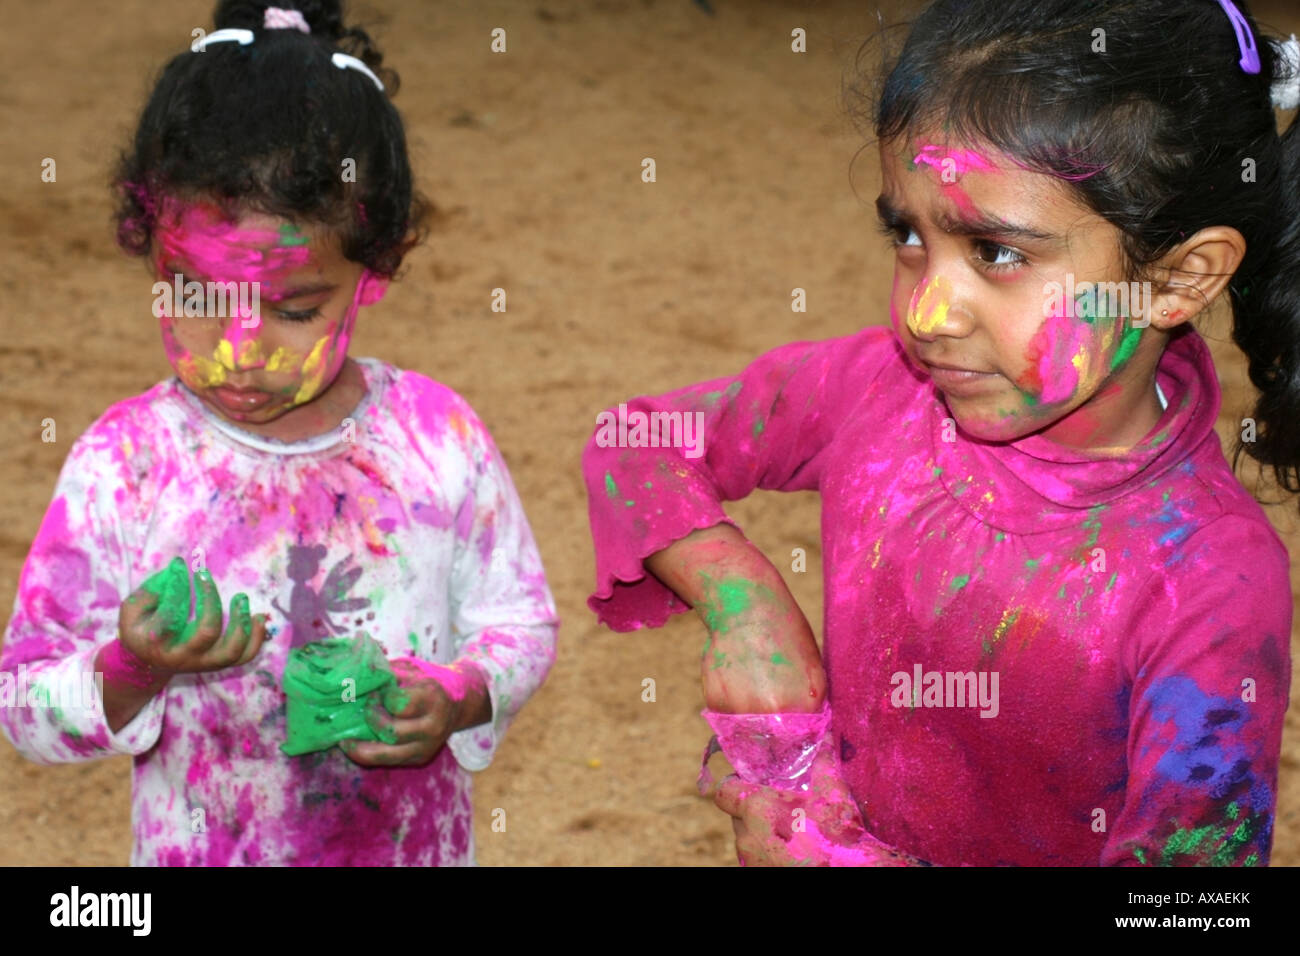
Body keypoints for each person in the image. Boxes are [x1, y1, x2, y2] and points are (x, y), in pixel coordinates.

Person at [582, 0, 1298, 865]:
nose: (925, 313)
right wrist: (745, 606)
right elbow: (635, 439)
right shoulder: (879, 391)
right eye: (908, 235)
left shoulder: (1209, 581)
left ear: (1180, 276)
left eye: (996, 251)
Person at [0, 0, 558, 866]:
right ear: (148, 248)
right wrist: (132, 667)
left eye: (295, 309)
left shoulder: (437, 438)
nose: (240, 350)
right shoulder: (127, 464)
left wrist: (459, 693)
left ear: (375, 271)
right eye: (196, 297)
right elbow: (25, 700)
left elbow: (518, 622)